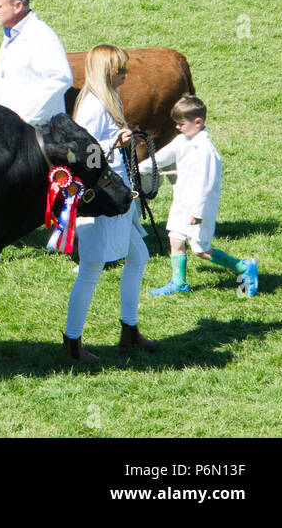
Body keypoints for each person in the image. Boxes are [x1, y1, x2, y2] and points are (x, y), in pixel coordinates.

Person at [60, 46, 157, 361]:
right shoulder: (93, 105)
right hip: (103, 197)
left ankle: (129, 331)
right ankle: (72, 341)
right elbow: (80, 153)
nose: (126, 75)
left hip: (118, 194)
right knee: (90, 269)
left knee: (139, 256)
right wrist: (116, 141)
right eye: (120, 70)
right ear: (105, 72)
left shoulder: (107, 99)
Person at [144, 94, 258, 297]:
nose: (177, 128)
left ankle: (243, 267)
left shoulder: (207, 151)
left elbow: (206, 186)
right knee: (175, 239)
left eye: (180, 124)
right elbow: (161, 158)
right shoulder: (182, 140)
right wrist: (137, 169)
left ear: (197, 122)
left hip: (200, 208)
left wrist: (198, 212)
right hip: (182, 201)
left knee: (200, 249)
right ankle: (179, 283)